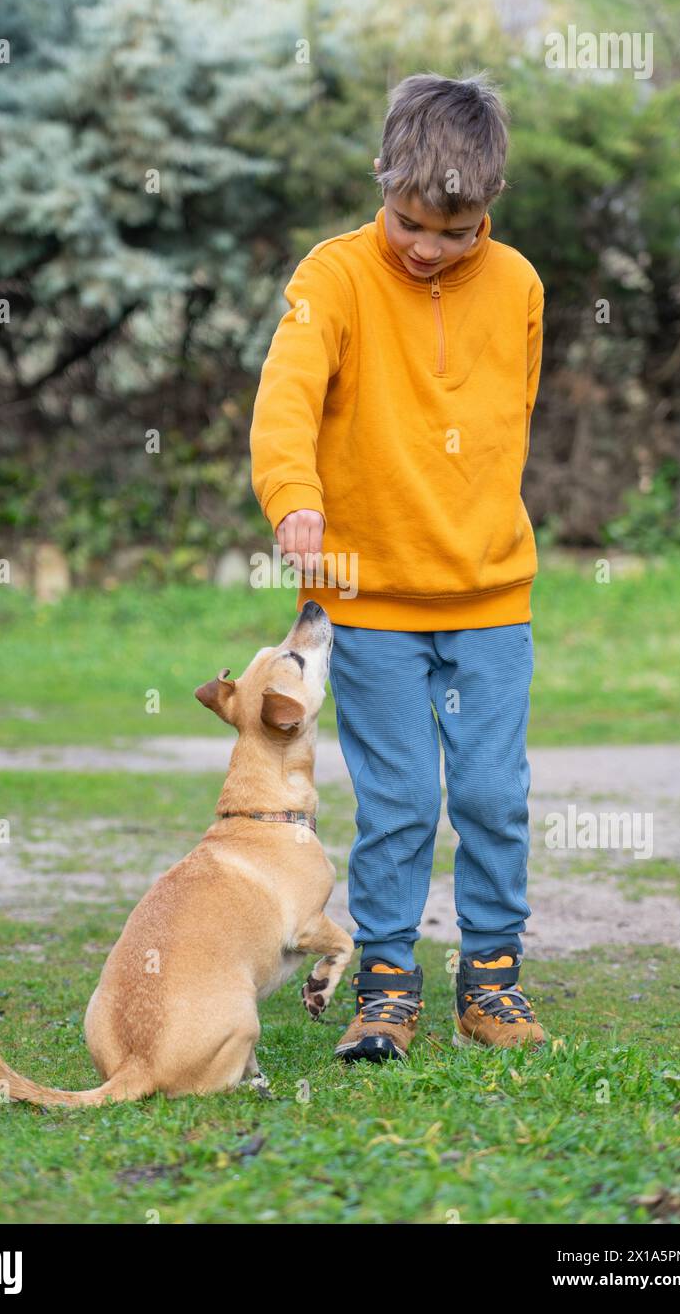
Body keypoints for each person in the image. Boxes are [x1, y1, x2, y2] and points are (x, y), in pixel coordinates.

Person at [250, 70, 547, 1062]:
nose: (428, 247)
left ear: (489, 211)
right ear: (381, 179)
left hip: (488, 592)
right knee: (400, 802)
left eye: (454, 234)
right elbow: (285, 398)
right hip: (362, 594)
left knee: (493, 794)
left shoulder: (517, 288)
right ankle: (385, 979)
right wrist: (295, 497)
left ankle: (490, 979)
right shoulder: (330, 277)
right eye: (409, 222)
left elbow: (509, 417)